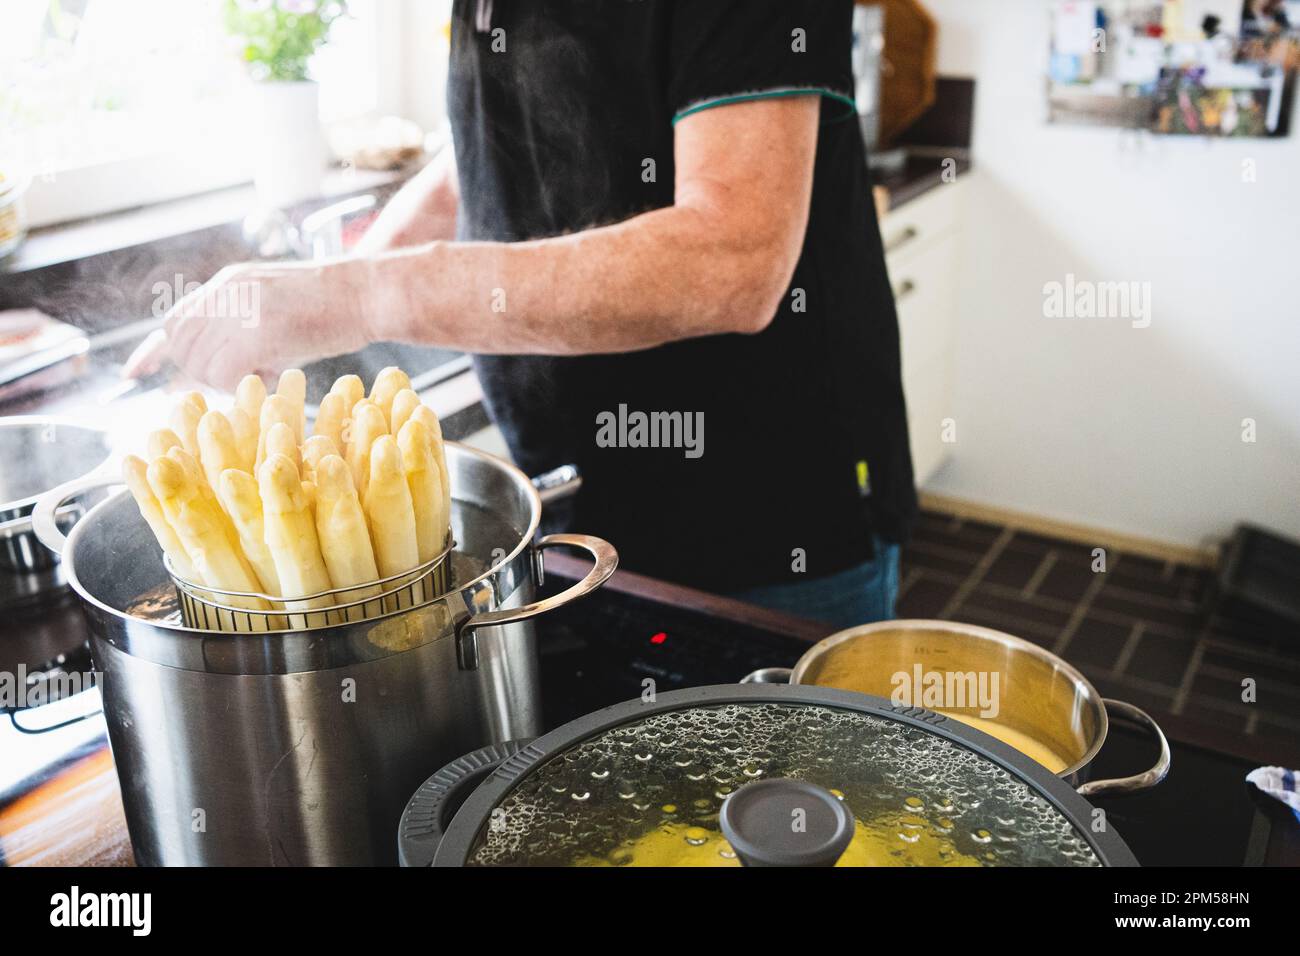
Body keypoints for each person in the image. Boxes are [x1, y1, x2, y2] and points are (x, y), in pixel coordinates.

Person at [127, 0, 917, 628]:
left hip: (770, 526)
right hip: (579, 508)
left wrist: (355, 296)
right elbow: (485, 156)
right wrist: (317, 300)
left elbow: (732, 261)